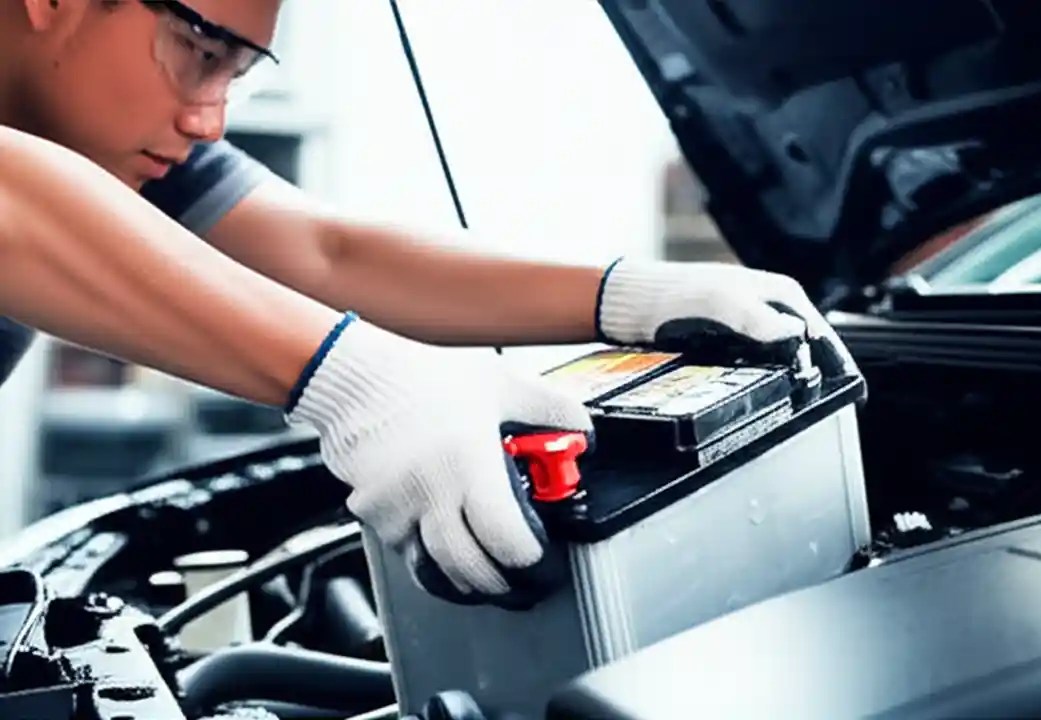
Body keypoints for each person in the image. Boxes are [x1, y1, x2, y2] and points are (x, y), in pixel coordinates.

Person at [0, 0, 857, 606]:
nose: (211, 120)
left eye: (239, 73)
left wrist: (629, 294)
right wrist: (354, 381)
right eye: (198, 49)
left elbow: (322, 251)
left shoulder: (107, 145)